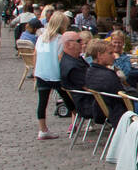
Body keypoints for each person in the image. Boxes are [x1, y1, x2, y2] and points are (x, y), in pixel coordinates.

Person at [34, 12, 75, 140]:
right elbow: (60, 58)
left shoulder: (41, 37)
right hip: (55, 74)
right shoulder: (59, 40)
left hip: (42, 72)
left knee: (42, 102)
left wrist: (36, 71)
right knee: (70, 100)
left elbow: (35, 54)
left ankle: (43, 129)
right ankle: (75, 122)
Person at [84, 38, 130, 129]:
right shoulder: (107, 76)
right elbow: (122, 94)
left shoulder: (90, 71)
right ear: (99, 55)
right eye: (110, 53)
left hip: (105, 110)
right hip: (121, 112)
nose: (114, 56)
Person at [58, 31, 89, 123]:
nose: (82, 43)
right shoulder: (72, 66)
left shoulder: (75, 59)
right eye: (79, 41)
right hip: (87, 104)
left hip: (87, 99)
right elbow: (89, 86)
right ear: (68, 44)